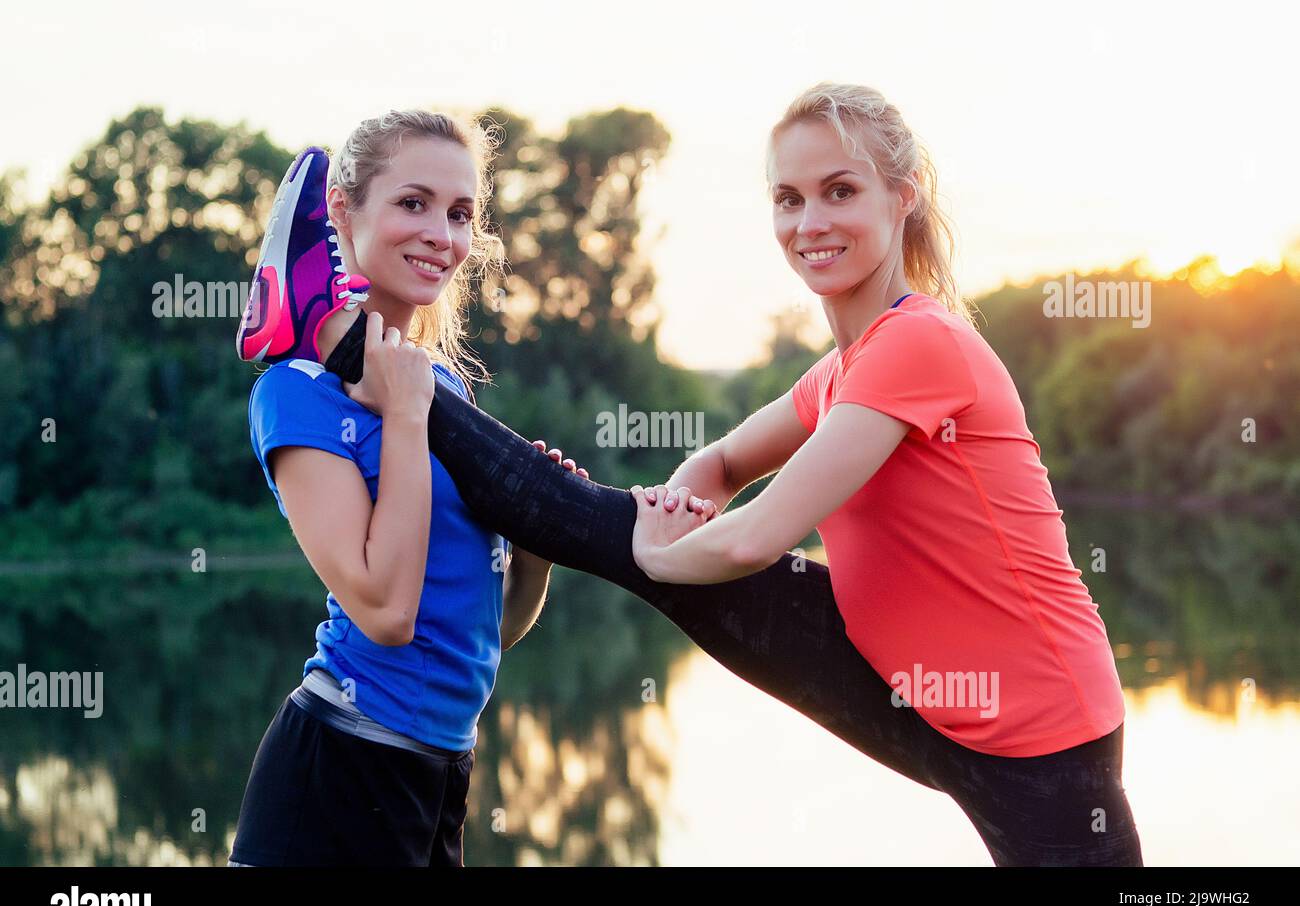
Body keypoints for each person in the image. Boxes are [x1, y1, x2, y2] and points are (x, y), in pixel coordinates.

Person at [324, 83, 1143, 866]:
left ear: (905, 196)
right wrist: (680, 507)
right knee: (613, 528)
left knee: (614, 532)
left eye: (839, 191)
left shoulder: (919, 345)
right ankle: (347, 339)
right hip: (902, 684)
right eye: (788, 199)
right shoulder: (840, 373)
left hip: (1043, 740)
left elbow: (754, 537)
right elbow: (722, 465)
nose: (810, 221)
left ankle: (345, 340)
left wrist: (646, 551)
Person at [229, 111, 588, 866]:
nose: (442, 235)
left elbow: (489, 633)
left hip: (441, 775)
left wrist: (535, 546)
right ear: (344, 214)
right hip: (336, 773)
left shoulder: (446, 392)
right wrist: (402, 413)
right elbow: (388, 612)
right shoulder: (294, 395)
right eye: (413, 203)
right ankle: (309, 304)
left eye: (460, 214)